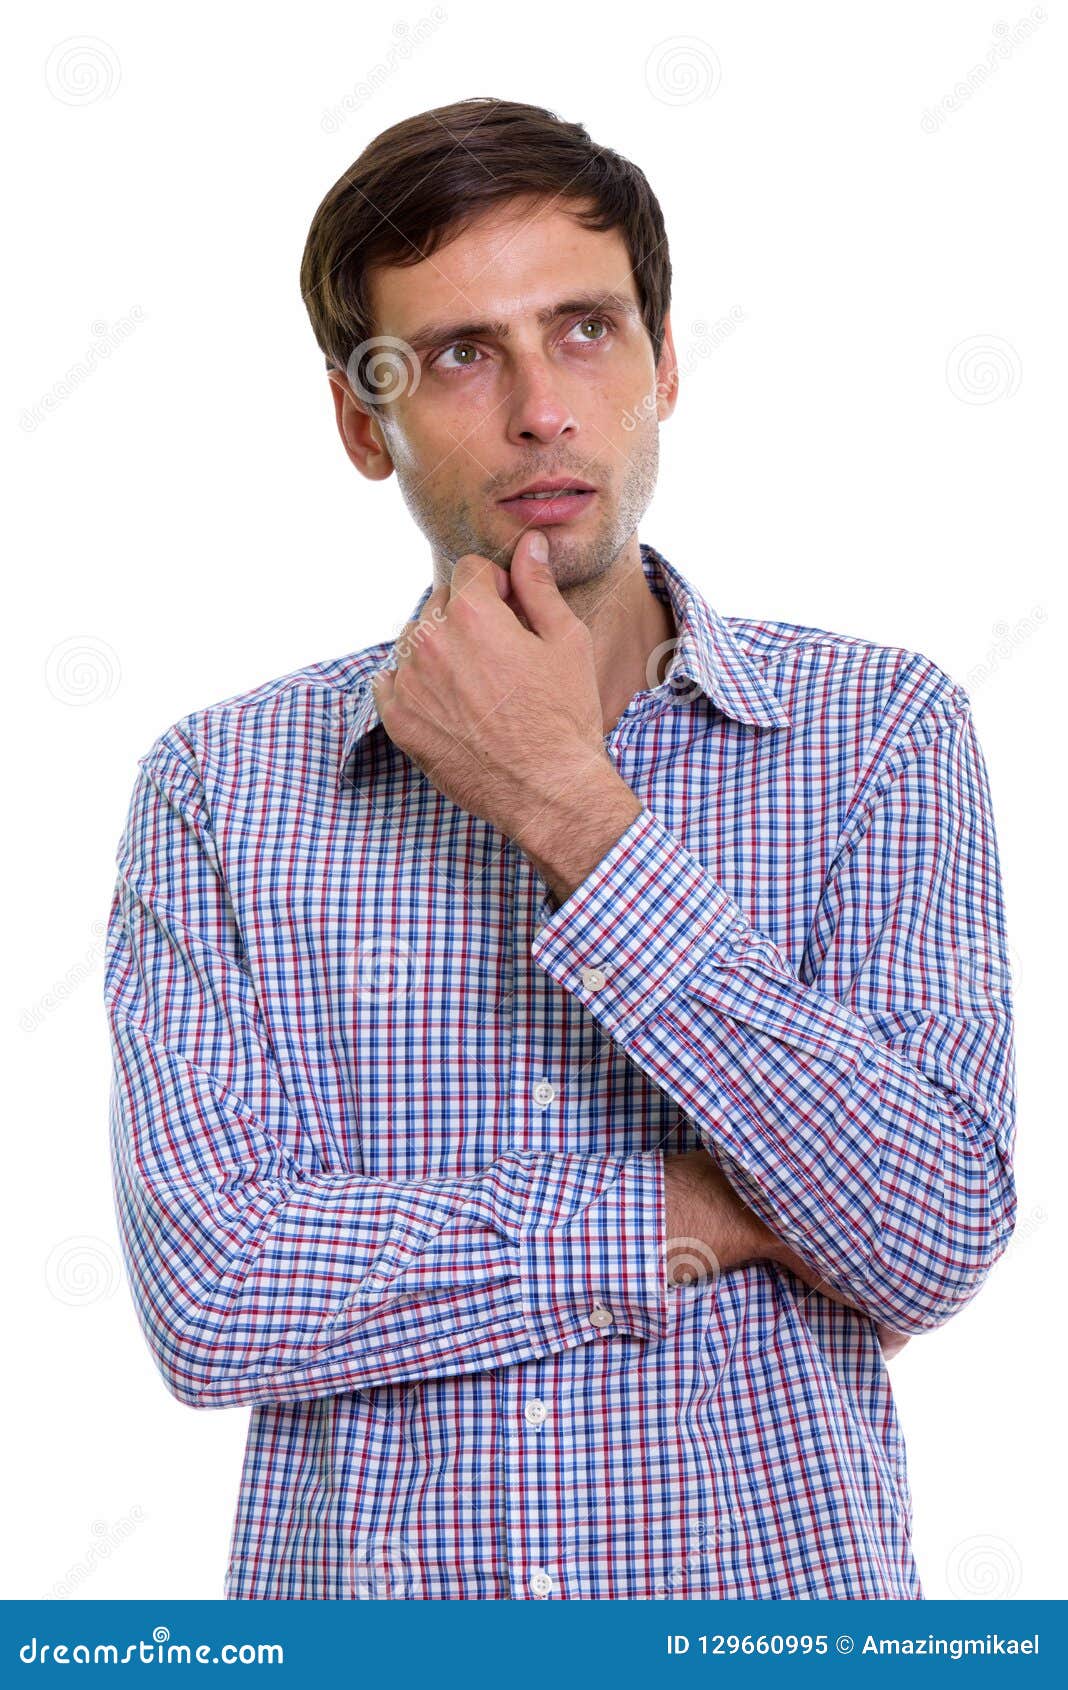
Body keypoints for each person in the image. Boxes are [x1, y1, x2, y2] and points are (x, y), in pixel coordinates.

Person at [104, 97, 1017, 1601]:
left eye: (585, 331)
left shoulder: (877, 730)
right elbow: (218, 1296)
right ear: (360, 418)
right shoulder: (223, 786)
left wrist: (568, 809)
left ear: (665, 363)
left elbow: (924, 1229)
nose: (541, 408)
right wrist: (713, 1209)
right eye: (461, 353)